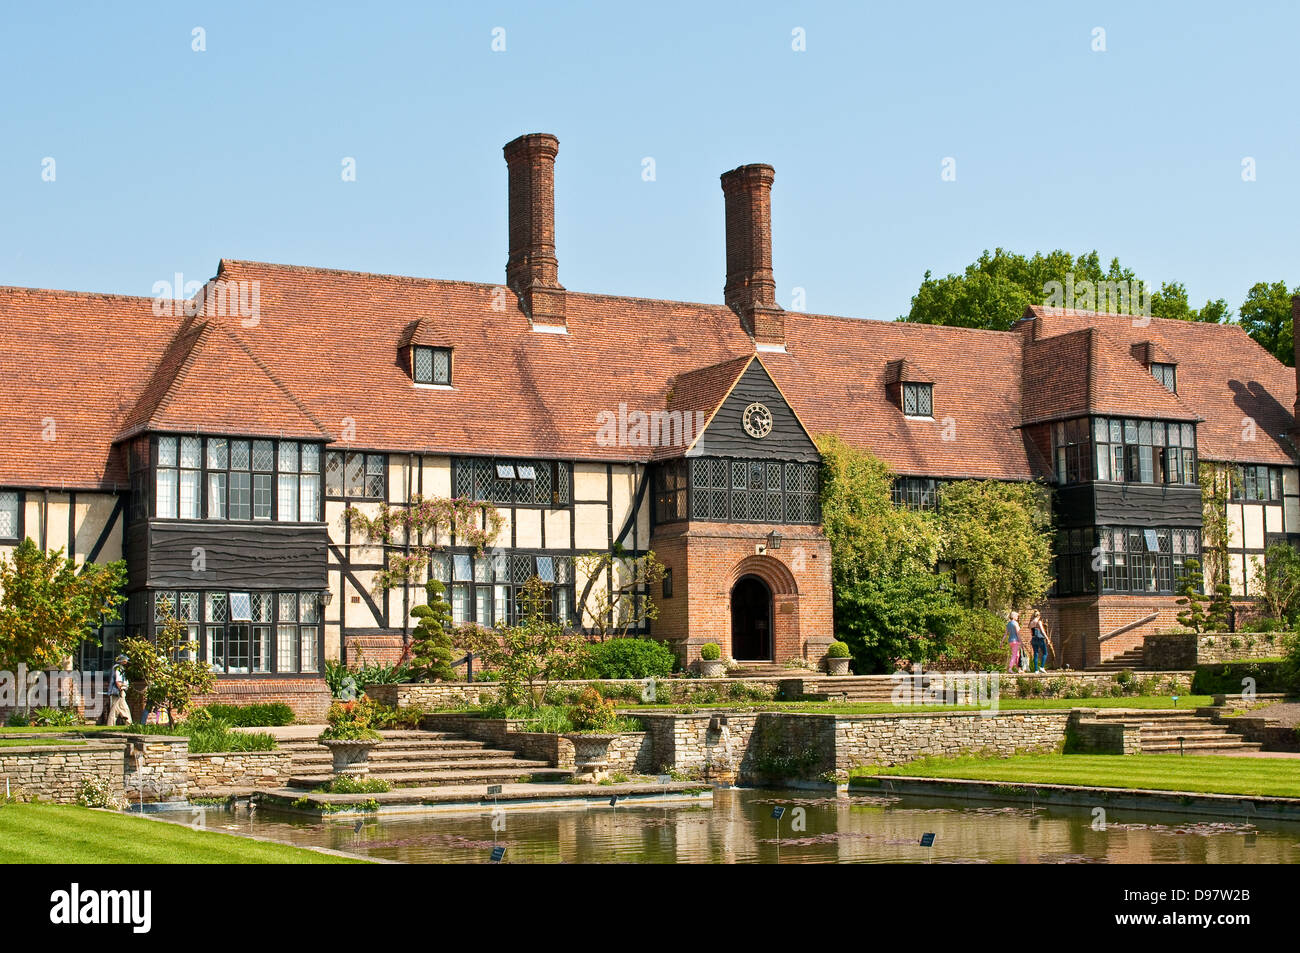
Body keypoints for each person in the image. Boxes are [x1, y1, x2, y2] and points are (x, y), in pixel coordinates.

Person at [102, 653, 131, 726]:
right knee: (118, 709)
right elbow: (118, 681)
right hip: (118, 691)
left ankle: (127, 723)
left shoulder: (118, 667)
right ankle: (128, 723)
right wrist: (121, 689)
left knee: (118, 709)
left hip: (118, 691)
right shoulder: (118, 668)